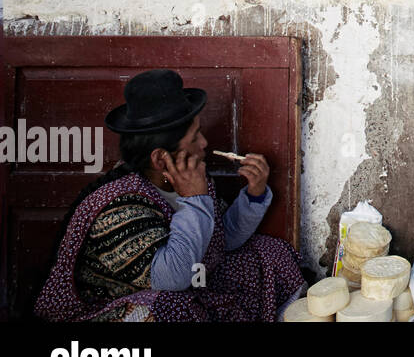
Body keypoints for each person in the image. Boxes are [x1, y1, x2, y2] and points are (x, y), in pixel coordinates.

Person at [34, 69, 306, 322]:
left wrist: (254, 194)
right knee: (168, 306)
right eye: (195, 137)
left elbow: (221, 239)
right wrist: (195, 202)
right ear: (161, 159)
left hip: (186, 282)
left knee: (266, 252)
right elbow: (171, 279)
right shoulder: (118, 207)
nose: (205, 144)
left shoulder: (190, 180)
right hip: (111, 309)